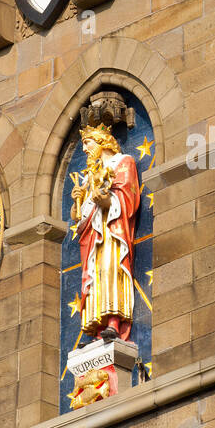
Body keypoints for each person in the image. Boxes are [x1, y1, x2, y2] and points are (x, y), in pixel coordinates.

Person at [70, 123, 140, 341]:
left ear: (102, 142)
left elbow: (129, 196)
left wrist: (108, 199)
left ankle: (113, 322)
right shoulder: (89, 176)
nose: (84, 149)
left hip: (113, 232)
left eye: (87, 143)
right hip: (94, 235)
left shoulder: (123, 162)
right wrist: (77, 202)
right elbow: (80, 219)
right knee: (94, 276)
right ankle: (97, 327)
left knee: (111, 270)